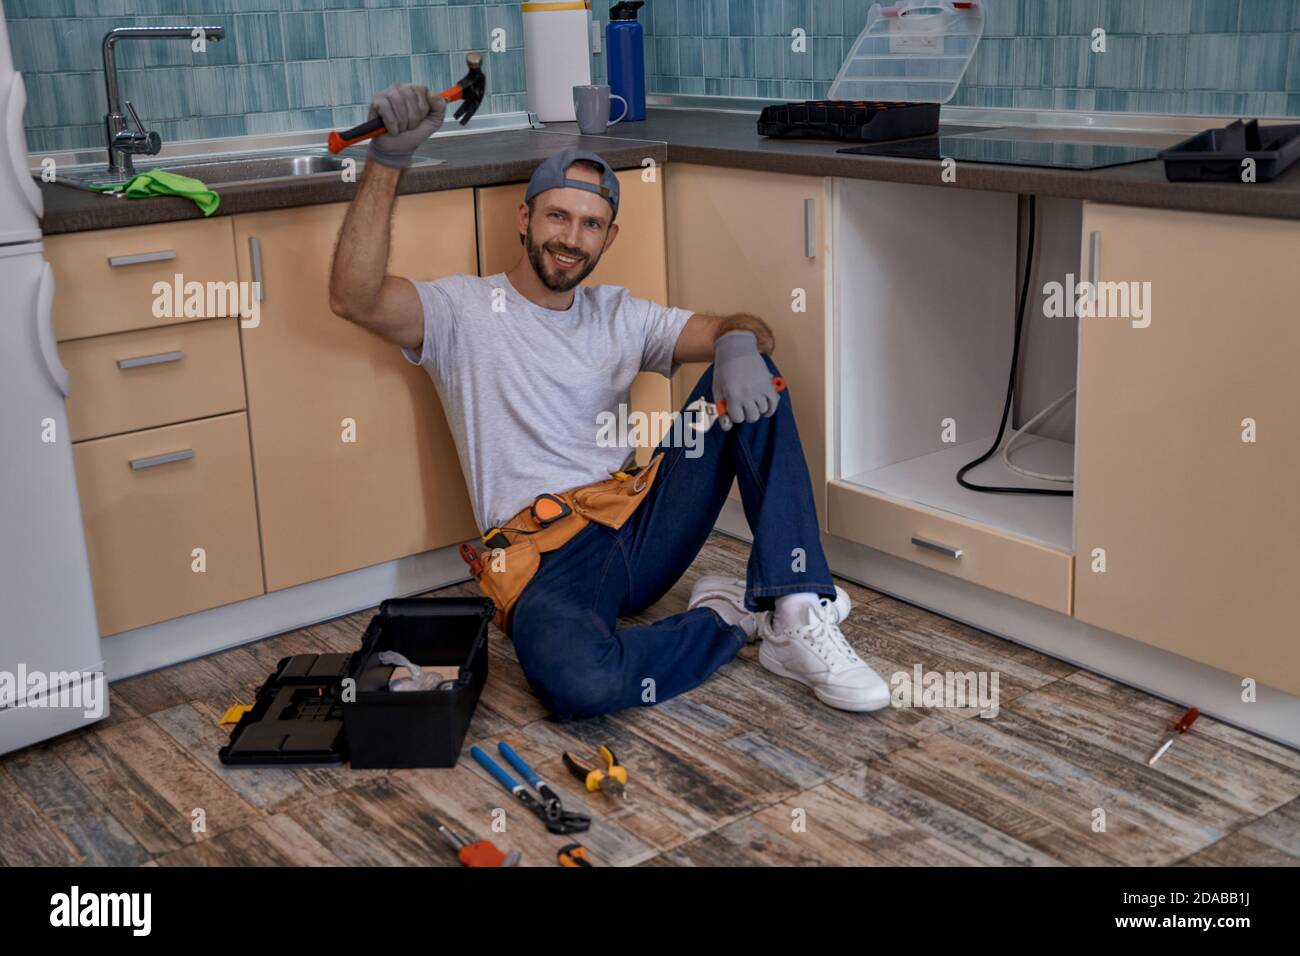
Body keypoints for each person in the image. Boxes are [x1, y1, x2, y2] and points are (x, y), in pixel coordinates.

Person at [329, 83, 890, 720]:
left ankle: (796, 609)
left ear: (609, 236)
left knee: (755, 370)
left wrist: (738, 344)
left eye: (590, 224)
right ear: (525, 218)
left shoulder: (620, 314)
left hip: (640, 524)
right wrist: (387, 162)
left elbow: (739, 326)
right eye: (558, 217)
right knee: (579, 685)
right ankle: (730, 618)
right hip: (544, 560)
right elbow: (356, 297)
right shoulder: (461, 311)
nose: (571, 238)